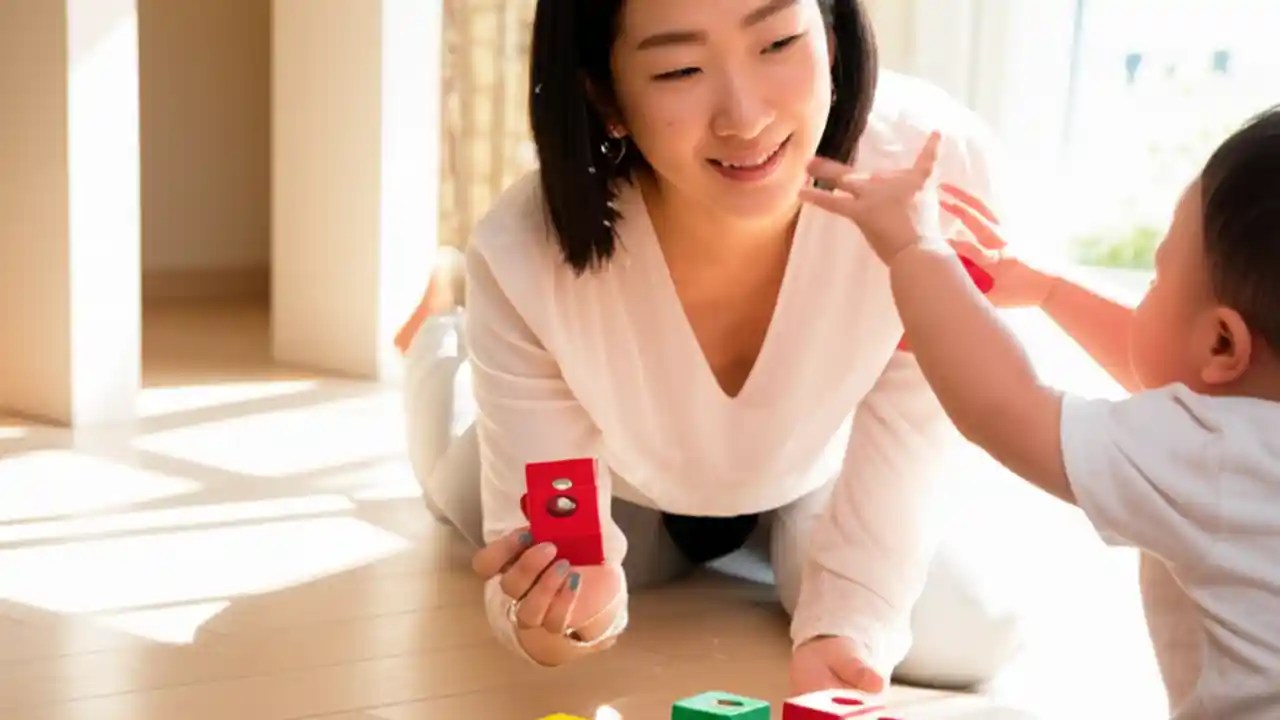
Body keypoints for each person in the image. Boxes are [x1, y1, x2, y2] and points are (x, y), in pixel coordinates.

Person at [400, 0, 1027, 694]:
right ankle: (442, 338)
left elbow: (910, 424)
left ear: (831, 35)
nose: (745, 119)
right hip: (620, 479)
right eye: (680, 70)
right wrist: (568, 621)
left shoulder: (931, 168)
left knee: (973, 635)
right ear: (606, 96)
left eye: (778, 42)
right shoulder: (522, 253)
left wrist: (846, 633)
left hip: (814, 466)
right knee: (462, 495)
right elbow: (548, 594)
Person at [802, 106, 1280, 718]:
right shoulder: (1251, 439)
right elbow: (1181, 378)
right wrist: (1053, 290)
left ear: (1222, 342)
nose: (1147, 294)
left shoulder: (1219, 461)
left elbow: (1004, 408)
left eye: (1156, 280)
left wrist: (915, 251)